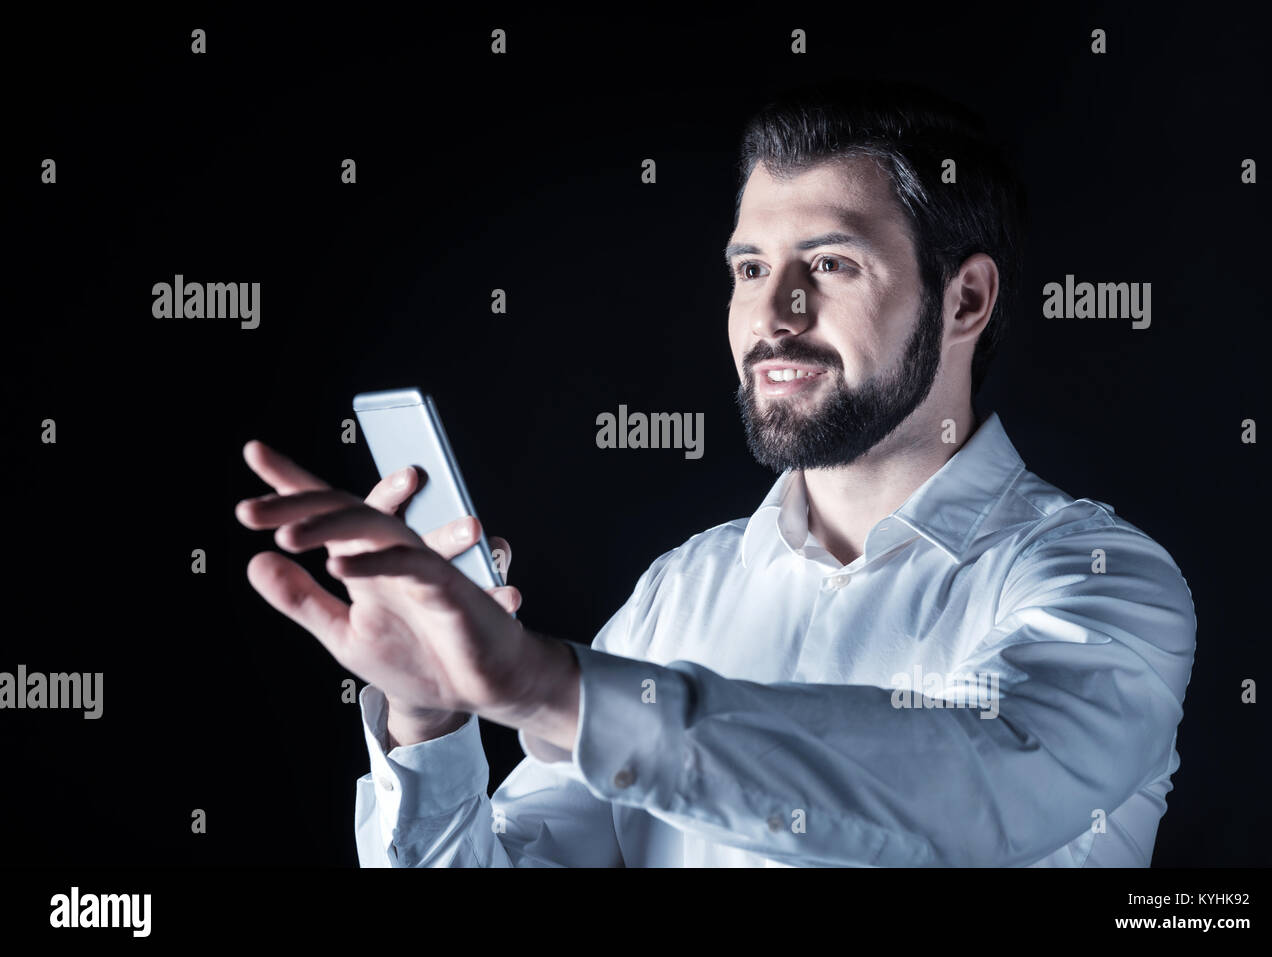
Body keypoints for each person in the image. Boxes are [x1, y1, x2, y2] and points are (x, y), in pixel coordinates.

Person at [234, 79, 1196, 867]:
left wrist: (544, 688)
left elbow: (965, 786)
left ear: (967, 298)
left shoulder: (1103, 585)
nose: (775, 313)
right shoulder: (679, 593)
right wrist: (430, 718)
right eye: (748, 268)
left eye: (830, 264)